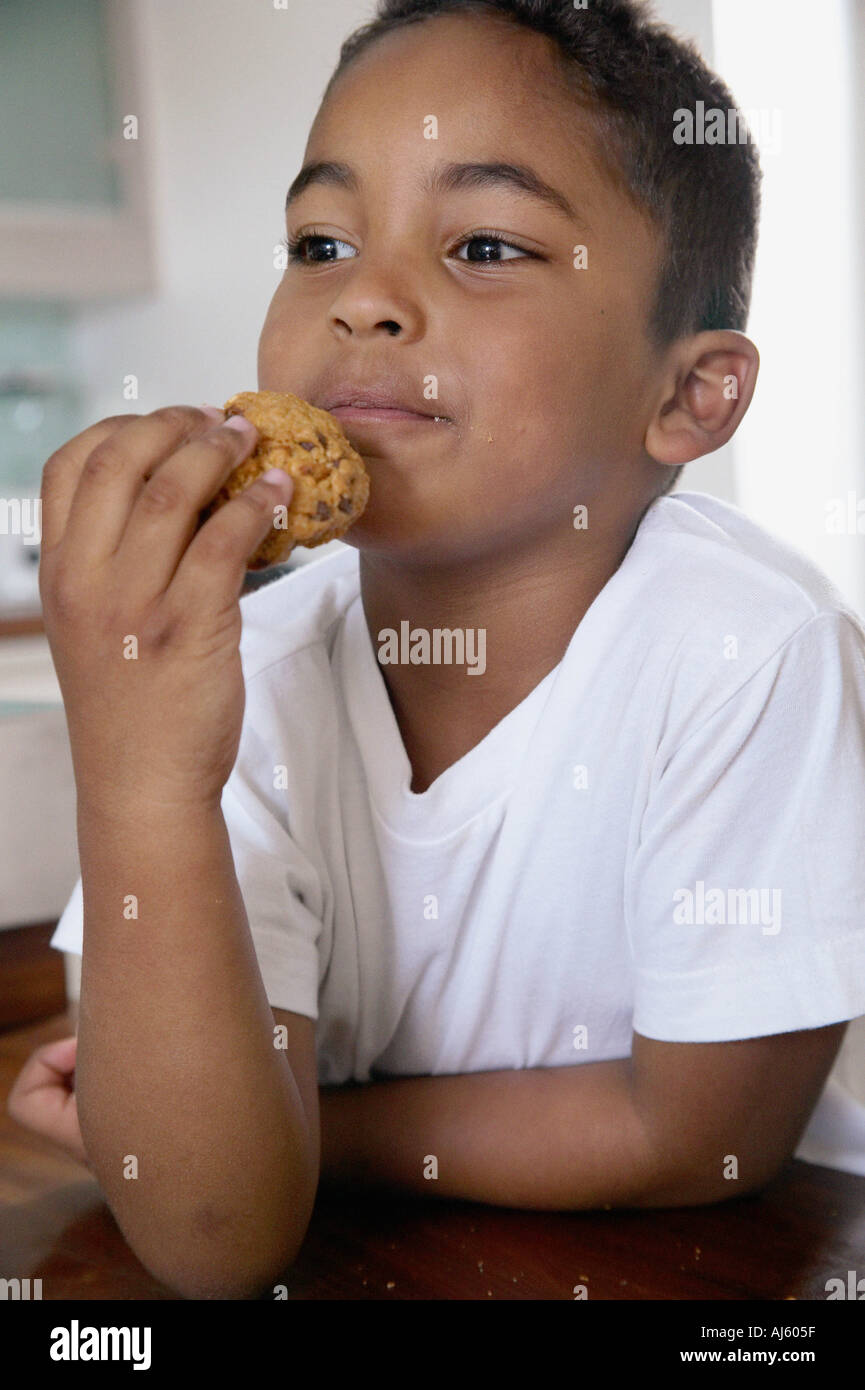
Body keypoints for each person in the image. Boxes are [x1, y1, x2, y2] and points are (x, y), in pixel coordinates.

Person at [8, 0, 865, 1299]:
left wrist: (304, 1135)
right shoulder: (233, 673)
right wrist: (137, 779)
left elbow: (698, 1135)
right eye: (321, 242)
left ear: (689, 396)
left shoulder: (746, 653)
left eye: (483, 244)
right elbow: (209, 1232)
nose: (361, 299)